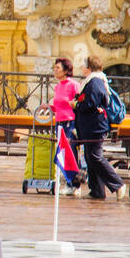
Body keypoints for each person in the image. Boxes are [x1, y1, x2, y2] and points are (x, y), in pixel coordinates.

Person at [74, 55, 123, 200]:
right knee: (90, 158)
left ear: (88, 68)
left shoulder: (95, 81)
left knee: (95, 157)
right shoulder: (93, 81)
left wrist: (76, 105)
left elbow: (92, 103)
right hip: (90, 126)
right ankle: (97, 191)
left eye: (84, 66)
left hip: (96, 126)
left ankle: (118, 184)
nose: (82, 69)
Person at [51, 56, 80, 186]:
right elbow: (59, 105)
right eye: (54, 68)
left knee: (70, 153)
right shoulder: (57, 87)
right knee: (62, 153)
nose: (55, 70)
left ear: (65, 70)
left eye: (57, 68)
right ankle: (69, 183)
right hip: (59, 122)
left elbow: (78, 102)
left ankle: (75, 184)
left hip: (70, 122)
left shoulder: (73, 85)